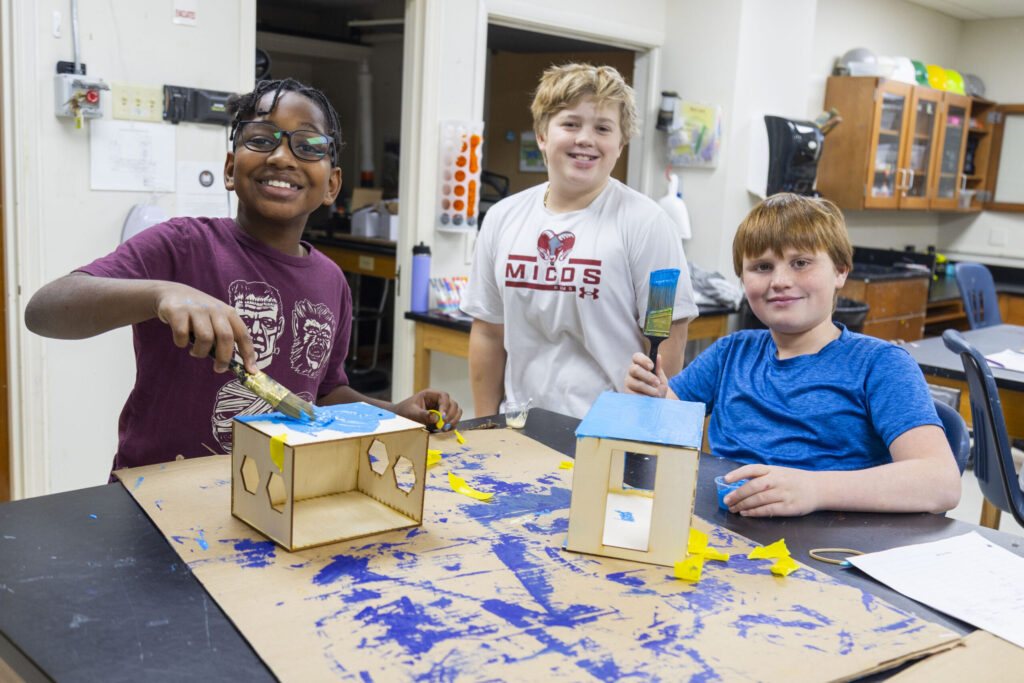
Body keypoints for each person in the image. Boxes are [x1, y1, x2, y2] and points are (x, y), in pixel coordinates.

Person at [25, 78, 461, 474]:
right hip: (153, 496)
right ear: (231, 168)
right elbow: (44, 311)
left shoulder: (332, 282)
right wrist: (161, 293)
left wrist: (393, 412)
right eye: (261, 139)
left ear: (331, 184)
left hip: (271, 496)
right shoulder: (182, 245)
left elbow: (324, 395)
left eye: (308, 146)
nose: (281, 156)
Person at [625, 193, 961, 516]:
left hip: (830, 545)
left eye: (801, 263)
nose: (780, 281)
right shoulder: (730, 353)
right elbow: (662, 426)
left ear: (841, 271)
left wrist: (815, 490)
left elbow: (940, 482)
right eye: (762, 267)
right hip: (726, 532)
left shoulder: (881, 365)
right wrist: (653, 398)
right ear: (742, 279)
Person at [461, 63, 697, 419]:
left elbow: (667, 337)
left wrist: (646, 429)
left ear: (620, 144)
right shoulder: (502, 218)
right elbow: (489, 333)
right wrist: (485, 423)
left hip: (611, 430)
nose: (585, 139)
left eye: (603, 128)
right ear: (542, 135)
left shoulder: (649, 224)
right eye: (570, 124)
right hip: (520, 426)